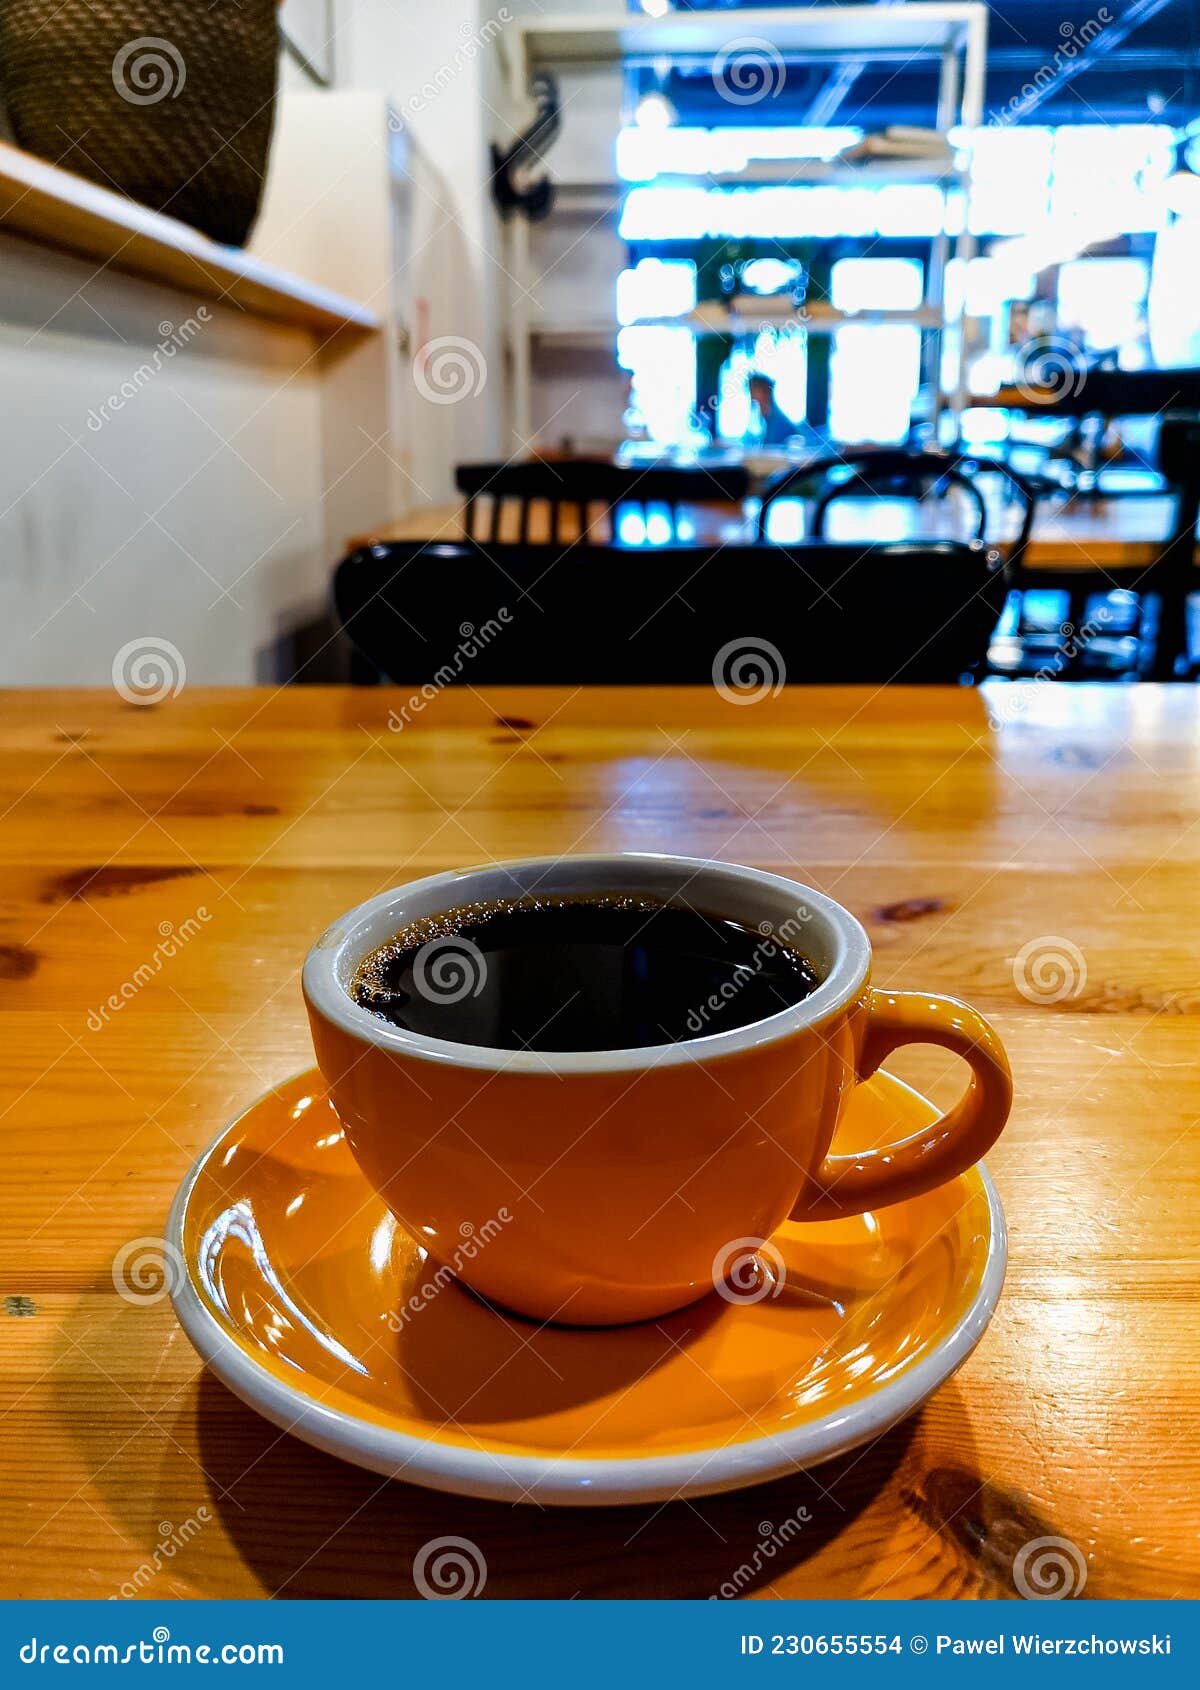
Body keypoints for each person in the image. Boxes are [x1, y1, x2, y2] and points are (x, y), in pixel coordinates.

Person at [747, 371, 798, 446]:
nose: (752, 398)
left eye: (753, 391)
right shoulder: (768, 422)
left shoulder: (779, 425)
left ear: (766, 392)